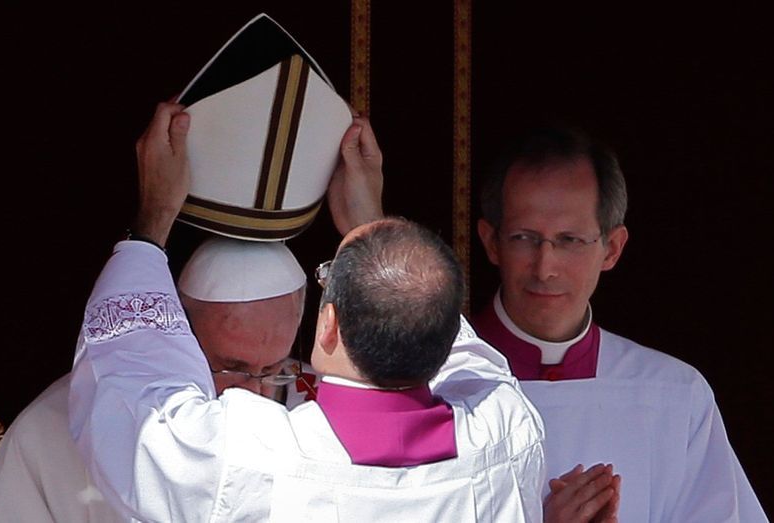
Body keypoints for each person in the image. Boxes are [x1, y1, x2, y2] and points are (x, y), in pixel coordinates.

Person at [68, 103, 547, 521]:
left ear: (330, 326)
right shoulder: (506, 433)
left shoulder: (245, 461)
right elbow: (458, 347)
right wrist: (371, 222)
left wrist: (153, 217)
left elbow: (128, 392)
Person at [0, 102, 383, 523]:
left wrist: (369, 228)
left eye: (273, 367)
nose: (254, 396)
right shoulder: (48, 432)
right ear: (176, 333)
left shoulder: (322, 416)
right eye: (232, 367)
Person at [472, 127, 768, 522]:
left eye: (570, 240)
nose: (545, 268)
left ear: (612, 248)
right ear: (491, 242)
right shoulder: (433, 381)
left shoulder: (674, 395)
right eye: (524, 238)